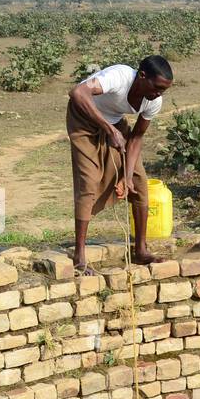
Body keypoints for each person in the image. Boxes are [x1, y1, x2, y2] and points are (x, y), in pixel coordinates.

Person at [66, 55, 173, 274]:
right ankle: (79, 256)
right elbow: (77, 93)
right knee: (89, 182)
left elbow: (136, 138)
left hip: (113, 123)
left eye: (163, 90)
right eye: (157, 87)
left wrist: (126, 174)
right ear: (142, 76)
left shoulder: (153, 101)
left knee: (138, 181)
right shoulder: (120, 76)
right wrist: (109, 130)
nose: (158, 94)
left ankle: (141, 250)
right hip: (83, 119)